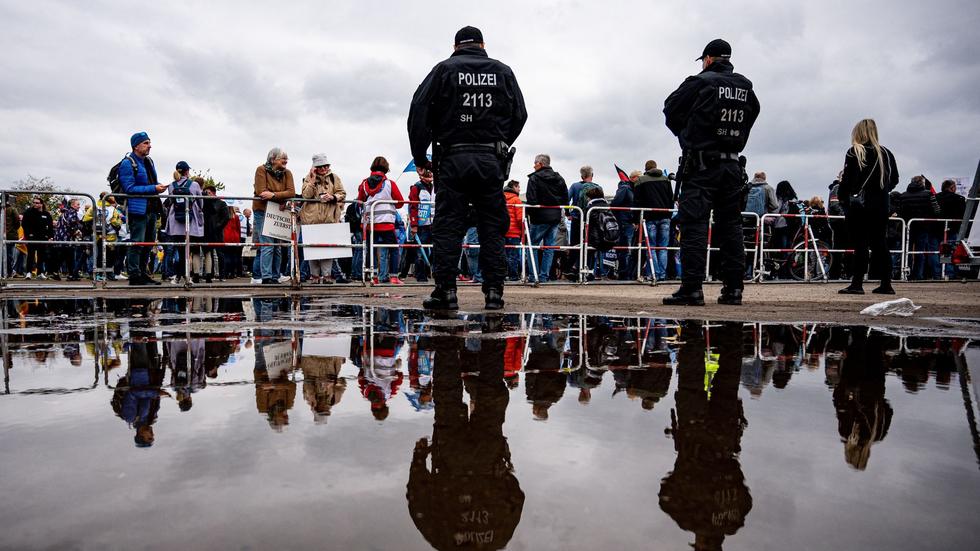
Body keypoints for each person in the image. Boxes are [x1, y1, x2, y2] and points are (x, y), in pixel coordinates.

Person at [408, 25, 528, 310]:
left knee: (449, 225)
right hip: (490, 161)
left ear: (455, 47)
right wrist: (499, 142)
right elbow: (520, 114)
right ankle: (494, 292)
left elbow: (418, 111)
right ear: (483, 45)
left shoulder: (443, 70)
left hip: (452, 158)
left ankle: (446, 291)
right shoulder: (503, 71)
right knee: (492, 226)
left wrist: (420, 156)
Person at [663, 38, 760, 306]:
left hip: (702, 165)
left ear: (707, 59)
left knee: (694, 225)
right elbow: (754, 113)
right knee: (731, 227)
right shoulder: (745, 87)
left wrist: (688, 134)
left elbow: (670, 109)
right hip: (732, 165)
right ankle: (733, 290)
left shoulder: (700, 82)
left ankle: (692, 289)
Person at [837, 118, 899, 295]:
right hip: (880, 205)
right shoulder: (886, 153)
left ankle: (857, 283)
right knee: (880, 243)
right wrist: (881, 191)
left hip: (859, 206)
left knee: (861, 244)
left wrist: (843, 199)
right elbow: (894, 179)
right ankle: (886, 283)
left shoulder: (854, 152)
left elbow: (847, 181)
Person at [118, 132, 168, 286]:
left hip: (152, 208)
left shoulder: (149, 161)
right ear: (136, 145)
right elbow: (129, 188)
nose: (149, 145)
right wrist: (154, 188)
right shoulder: (128, 163)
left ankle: (143, 272)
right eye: (146, 143)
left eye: (149, 142)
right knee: (137, 243)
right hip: (138, 209)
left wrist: (158, 186)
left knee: (148, 243)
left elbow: (150, 181)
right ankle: (134, 275)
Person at [357, 156, 405, 284]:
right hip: (386, 223)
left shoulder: (363, 184)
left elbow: (360, 201)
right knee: (393, 249)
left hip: (370, 224)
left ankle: (374, 276)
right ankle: (394, 276)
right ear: (386, 169)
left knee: (371, 250)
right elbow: (400, 202)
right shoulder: (390, 184)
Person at [300, 153, 347, 283]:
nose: (324, 169)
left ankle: (327, 276)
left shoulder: (334, 178)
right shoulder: (308, 178)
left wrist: (333, 197)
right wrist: (312, 180)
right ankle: (315, 276)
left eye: (326, 166)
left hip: (328, 219)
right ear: (315, 167)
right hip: (312, 220)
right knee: (312, 250)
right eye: (321, 166)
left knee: (327, 250)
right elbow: (306, 196)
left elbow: (342, 193)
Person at [252, 148, 296, 285]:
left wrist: (273, 195)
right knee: (267, 244)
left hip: (277, 211)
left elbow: (292, 192)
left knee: (277, 246)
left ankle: (275, 276)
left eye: (286, 158)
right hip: (262, 210)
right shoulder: (261, 170)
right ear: (272, 159)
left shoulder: (287, 173)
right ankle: (266, 276)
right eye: (282, 158)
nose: (285, 161)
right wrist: (281, 196)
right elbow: (261, 191)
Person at [525, 154, 568, 283]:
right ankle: (544, 276)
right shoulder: (559, 178)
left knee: (531, 246)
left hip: (539, 217)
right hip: (555, 217)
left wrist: (530, 213)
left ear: (540, 164)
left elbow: (531, 200)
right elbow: (565, 198)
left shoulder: (534, 178)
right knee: (549, 248)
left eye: (535, 163)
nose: (533, 166)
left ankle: (533, 276)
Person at [634, 160, 675, 281]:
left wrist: (636, 219)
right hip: (665, 217)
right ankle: (662, 274)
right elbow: (671, 198)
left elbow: (637, 201)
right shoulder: (666, 179)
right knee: (663, 247)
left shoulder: (641, 180)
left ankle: (654, 273)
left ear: (646, 169)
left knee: (651, 246)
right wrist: (669, 213)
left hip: (649, 217)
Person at [164, 164, 204, 284]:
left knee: (180, 251)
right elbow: (200, 201)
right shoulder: (195, 184)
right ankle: (188, 276)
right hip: (190, 221)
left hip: (175, 222)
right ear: (187, 172)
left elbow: (170, 201)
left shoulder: (171, 185)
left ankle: (178, 276)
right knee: (189, 251)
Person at [401, 167, 435, 282]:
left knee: (436, 250)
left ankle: (432, 272)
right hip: (422, 225)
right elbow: (413, 207)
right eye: (427, 174)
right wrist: (414, 225)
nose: (430, 176)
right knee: (421, 252)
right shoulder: (416, 187)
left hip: (434, 223)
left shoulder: (435, 187)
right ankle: (421, 276)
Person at [566, 165, 597, 277]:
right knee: (590, 245)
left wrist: (567, 213)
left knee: (575, 245)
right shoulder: (597, 187)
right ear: (592, 176)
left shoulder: (575, 186)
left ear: (581, 176)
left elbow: (566, 199)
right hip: (591, 221)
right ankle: (589, 270)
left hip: (577, 219)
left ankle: (572, 270)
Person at [611, 170, 637, 279]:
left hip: (629, 221)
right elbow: (615, 204)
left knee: (627, 249)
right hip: (624, 221)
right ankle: (624, 274)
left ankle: (627, 273)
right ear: (633, 178)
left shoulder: (630, 189)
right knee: (625, 249)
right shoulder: (626, 188)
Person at [202, 182, 229, 283]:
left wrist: (218, 226)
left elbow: (226, 217)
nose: (206, 194)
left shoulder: (221, 203)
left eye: (208, 192)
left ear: (213, 193)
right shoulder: (204, 203)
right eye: (205, 192)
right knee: (208, 254)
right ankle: (210, 274)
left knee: (220, 254)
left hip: (217, 232)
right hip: (207, 232)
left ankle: (222, 275)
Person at [21, 196, 54, 279]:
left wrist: (50, 236)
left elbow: (50, 226)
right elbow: (24, 225)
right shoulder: (28, 212)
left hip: (43, 238)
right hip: (32, 237)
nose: (35, 204)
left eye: (37, 203)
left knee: (41, 256)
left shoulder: (46, 214)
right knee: (31, 255)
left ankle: (40, 273)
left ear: (41, 204)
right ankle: (29, 272)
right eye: (34, 202)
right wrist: (28, 235)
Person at [53, 198, 83, 281]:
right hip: (67, 237)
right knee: (69, 256)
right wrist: (78, 229)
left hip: (60, 236)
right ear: (72, 205)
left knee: (62, 256)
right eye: (78, 204)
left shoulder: (64, 212)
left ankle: (57, 272)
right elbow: (72, 223)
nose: (79, 206)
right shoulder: (72, 212)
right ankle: (71, 275)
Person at [503, 180, 524, 280]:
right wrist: (522, 230)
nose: (519, 189)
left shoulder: (501, 198)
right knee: (513, 256)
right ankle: (513, 276)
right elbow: (520, 218)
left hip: (502, 231)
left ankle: (503, 275)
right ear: (514, 187)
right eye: (518, 187)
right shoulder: (516, 200)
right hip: (514, 232)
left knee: (503, 255)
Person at [3, 196, 20, 277]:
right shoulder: (11, 209)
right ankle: (6, 272)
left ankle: (8, 272)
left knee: (8, 254)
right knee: (8, 254)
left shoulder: (12, 209)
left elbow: (17, 222)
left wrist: (11, 230)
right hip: (7, 235)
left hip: (9, 236)